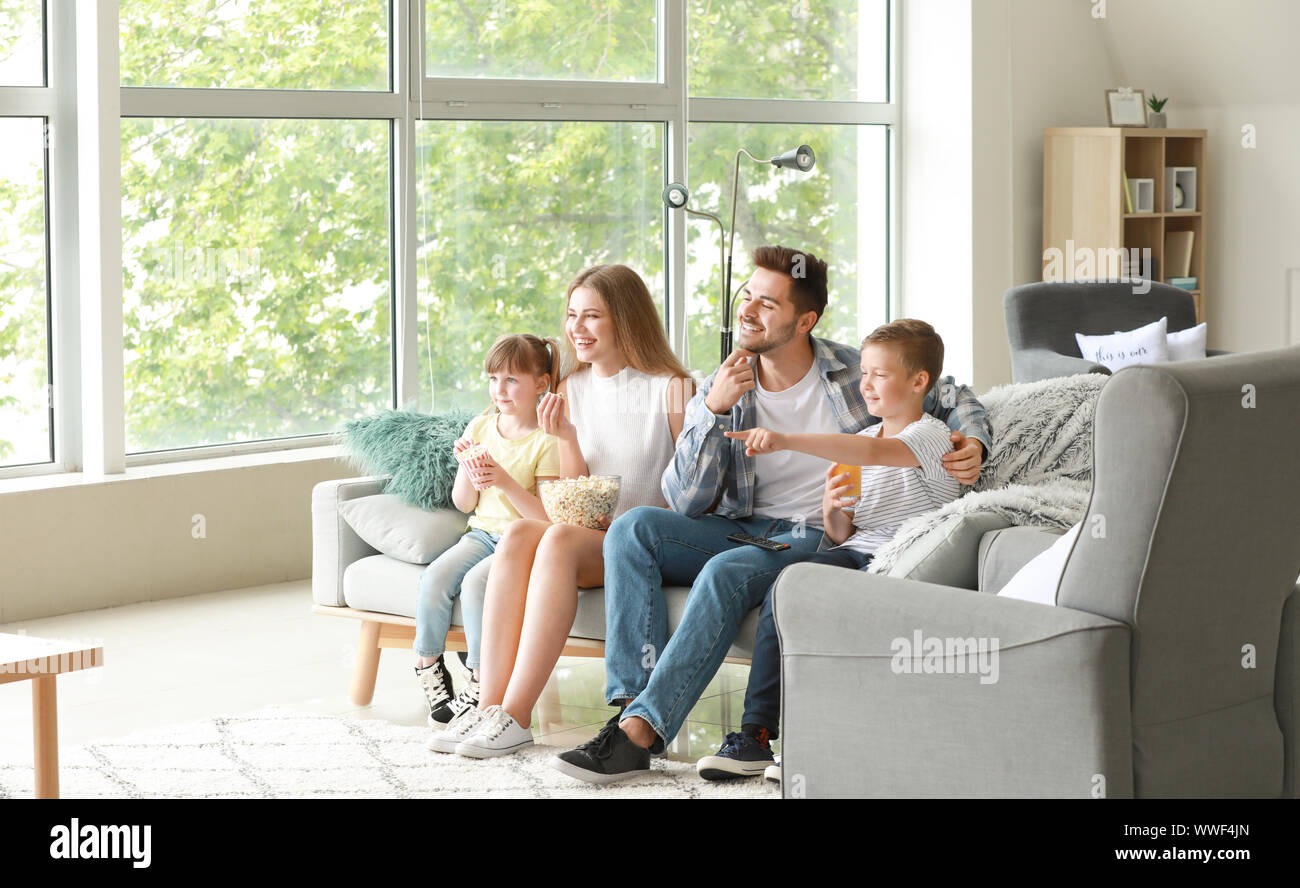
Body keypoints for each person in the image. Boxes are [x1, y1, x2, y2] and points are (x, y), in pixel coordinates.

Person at [549, 245, 992, 784]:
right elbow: (684, 501)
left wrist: (976, 442)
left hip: (810, 535)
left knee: (727, 571)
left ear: (805, 320)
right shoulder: (723, 383)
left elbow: (953, 393)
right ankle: (630, 715)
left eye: (767, 303)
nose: (748, 310)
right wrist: (712, 411)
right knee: (633, 528)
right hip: (737, 525)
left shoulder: (856, 373)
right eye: (747, 296)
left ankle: (638, 733)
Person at [430, 265, 695, 758]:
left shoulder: (673, 387)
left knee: (554, 537)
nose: (577, 328)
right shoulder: (571, 388)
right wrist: (568, 437)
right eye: (572, 315)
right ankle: (490, 707)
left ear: (626, 319)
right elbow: (571, 491)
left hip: (646, 540)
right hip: (588, 533)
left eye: (592, 316)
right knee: (519, 534)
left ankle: (516, 715)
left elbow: (693, 489)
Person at [695, 318, 963, 780]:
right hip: (858, 553)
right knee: (788, 587)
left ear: (919, 381)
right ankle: (756, 736)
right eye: (865, 373)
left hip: (903, 562)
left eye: (880, 374)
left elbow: (876, 455)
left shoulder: (931, 435)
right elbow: (842, 533)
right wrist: (832, 507)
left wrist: (784, 440)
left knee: (817, 599)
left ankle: (814, 746)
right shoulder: (861, 442)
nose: (866, 384)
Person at [413, 334, 561, 730]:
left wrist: (504, 479)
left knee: (477, 585)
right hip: (480, 536)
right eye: (493, 379)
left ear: (541, 384)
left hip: (519, 544)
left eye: (511, 380)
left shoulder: (547, 441)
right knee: (434, 578)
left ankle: (481, 680)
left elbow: (546, 518)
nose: (500, 389)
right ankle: (429, 668)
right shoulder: (480, 426)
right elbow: (464, 503)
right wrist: (469, 466)